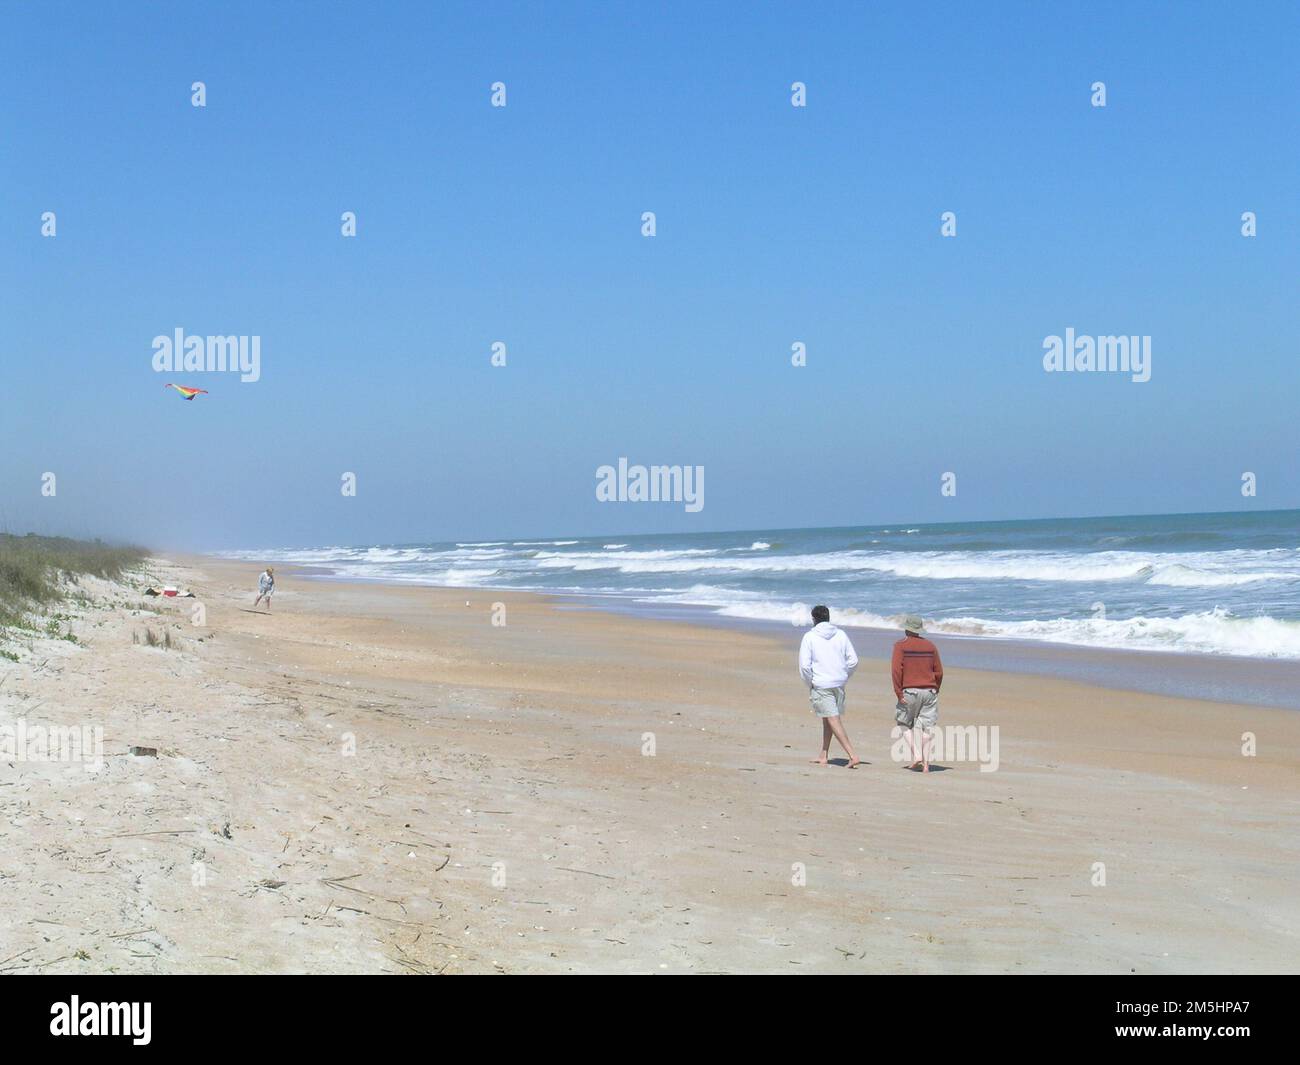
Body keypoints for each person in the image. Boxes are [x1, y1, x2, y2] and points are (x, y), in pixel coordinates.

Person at [799, 605, 860, 768]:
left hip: (822, 683)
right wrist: (844, 675)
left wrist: (810, 683)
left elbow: (805, 667)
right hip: (839, 682)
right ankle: (823, 754)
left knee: (833, 719)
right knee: (828, 719)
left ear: (814, 619)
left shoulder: (809, 637)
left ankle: (852, 755)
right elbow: (853, 660)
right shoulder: (841, 634)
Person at [892, 615, 943, 772]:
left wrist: (898, 693)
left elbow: (896, 671)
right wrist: (936, 689)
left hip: (910, 691)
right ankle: (926, 766)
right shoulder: (930, 646)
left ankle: (916, 755)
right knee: (927, 728)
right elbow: (939, 671)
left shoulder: (900, 646)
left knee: (903, 723)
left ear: (907, 629)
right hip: (930, 691)